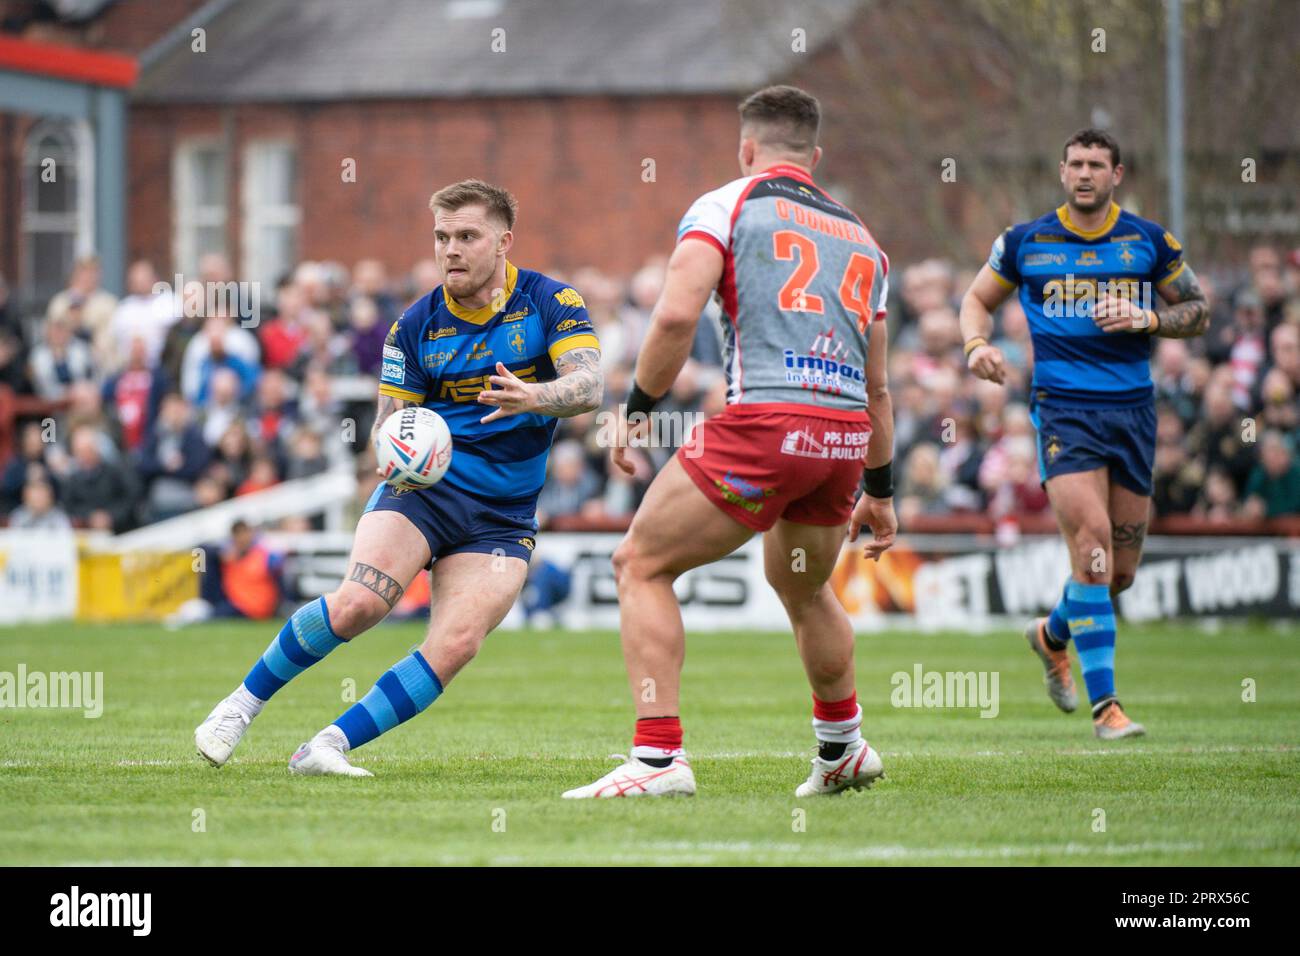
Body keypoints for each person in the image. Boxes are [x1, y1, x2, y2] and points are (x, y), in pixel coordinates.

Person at [194, 179, 604, 776]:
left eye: (467, 236)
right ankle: (239, 706)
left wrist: (535, 396)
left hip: (502, 515)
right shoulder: (414, 325)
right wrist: (389, 450)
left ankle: (327, 746)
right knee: (360, 603)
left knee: (457, 644)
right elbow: (389, 423)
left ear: (504, 242)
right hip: (424, 492)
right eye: (442, 237)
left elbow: (590, 385)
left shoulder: (550, 301)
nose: (451, 250)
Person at [564, 86, 896, 799]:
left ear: (747, 150)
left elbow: (678, 313)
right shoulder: (865, 239)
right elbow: (878, 386)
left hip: (767, 426)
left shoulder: (728, 203)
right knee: (804, 587)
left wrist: (637, 409)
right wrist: (884, 488)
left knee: (640, 564)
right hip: (842, 440)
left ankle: (658, 761)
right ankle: (843, 746)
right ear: (817, 155)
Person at [959, 128, 1210, 739]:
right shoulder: (1026, 241)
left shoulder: (1149, 241)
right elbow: (975, 299)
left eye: (1097, 164)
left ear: (1116, 174)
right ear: (1062, 171)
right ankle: (1108, 709)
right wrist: (975, 345)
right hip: (1062, 412)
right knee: (1092, 545)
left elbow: (1199, 310)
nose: (1084, 174)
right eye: (1075, 163)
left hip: (1133, 414)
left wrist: (1150, 316)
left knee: (1118, 573)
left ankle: (1050, 636)